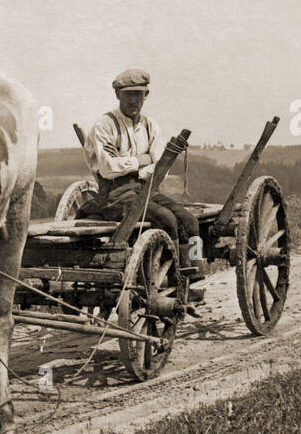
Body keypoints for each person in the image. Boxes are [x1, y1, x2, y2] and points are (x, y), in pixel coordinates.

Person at [81, 68, 209, 286]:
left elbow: (162, 168)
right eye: (128, 94)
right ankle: (172, 278)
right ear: (117, 95)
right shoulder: (105, 125)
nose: (133, 100)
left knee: (190, 221)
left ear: (146, 96)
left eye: (138, 94)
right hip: (115, 194)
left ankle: (193, 271)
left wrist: (138, 169)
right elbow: (108, 168)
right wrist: (143, 160)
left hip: (147, 188)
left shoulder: (150, 126)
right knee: (167, 219)